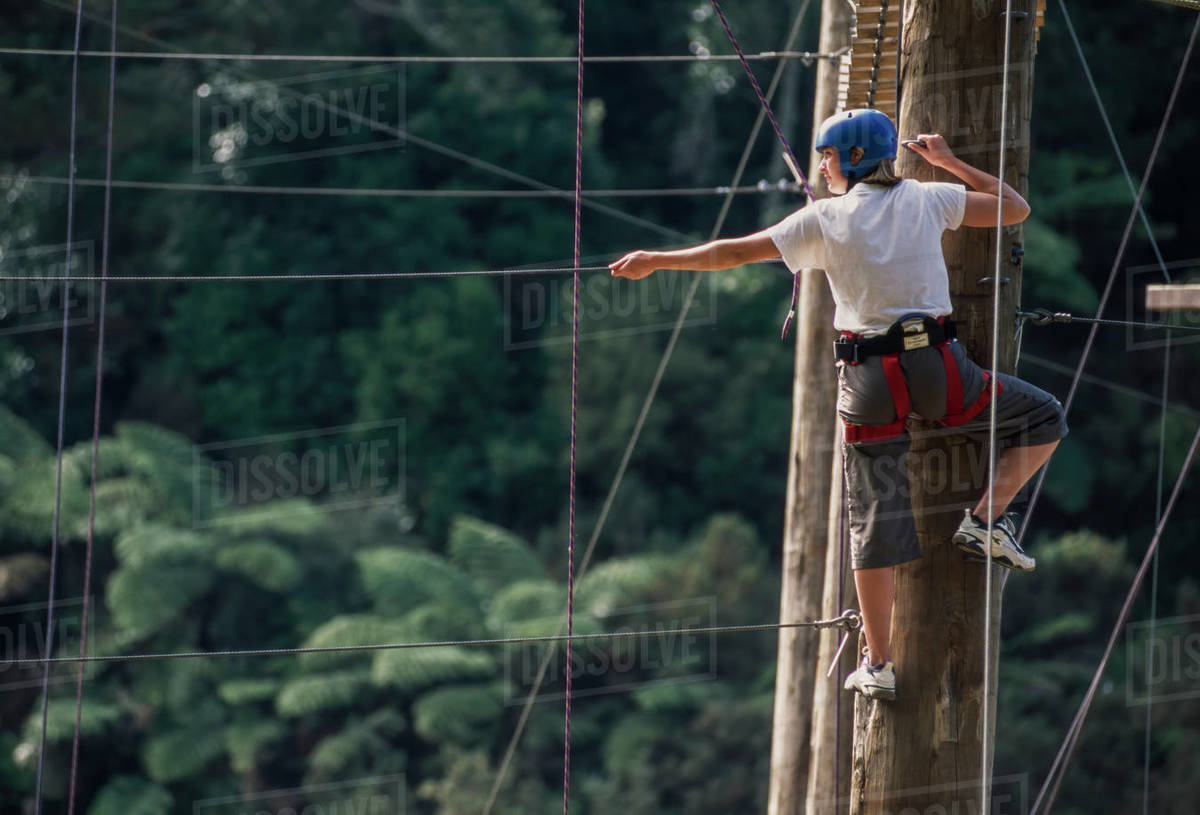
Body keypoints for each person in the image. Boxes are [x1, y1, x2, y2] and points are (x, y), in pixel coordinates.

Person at [608, 109, 1067, 702]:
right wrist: (949, 161)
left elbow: (732, 253)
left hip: (868, 380)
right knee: (1043, 416)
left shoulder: (822, 220)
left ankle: (879, 662)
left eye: (825, 156)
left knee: (871, 520)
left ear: (850, 159)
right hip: (939, 369)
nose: (820, 167)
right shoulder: (929, 199)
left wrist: (656, 260)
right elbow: (1014, 208)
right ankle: (983, 520)